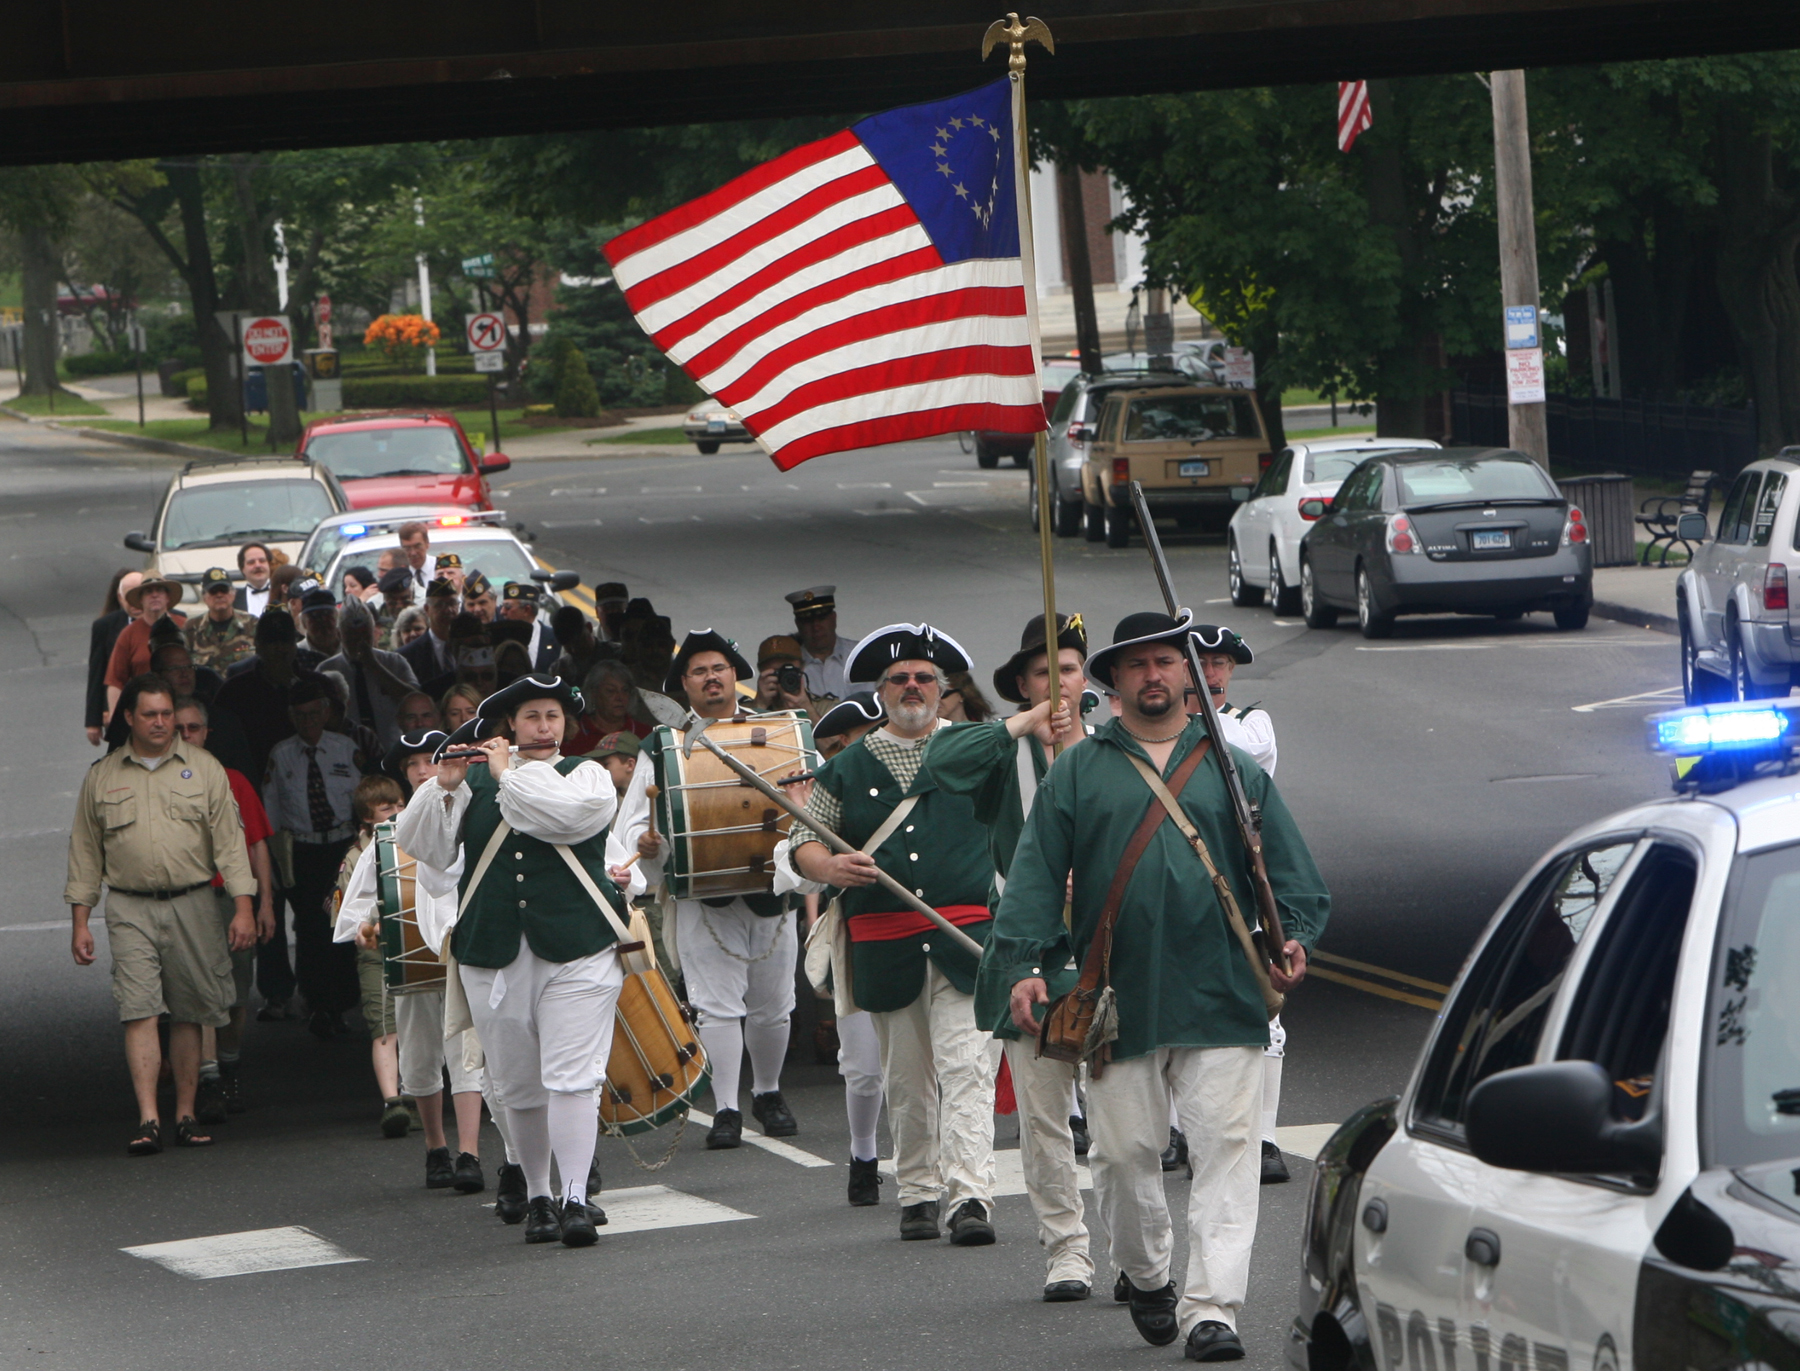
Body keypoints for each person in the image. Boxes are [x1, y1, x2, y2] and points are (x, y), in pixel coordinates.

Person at [982, 611, 1328, 1362]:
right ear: (1114, 682)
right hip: (1119, 996)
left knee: (1227, 1151)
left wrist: (1292, 933)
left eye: (1167, 660)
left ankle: (1213, 1307)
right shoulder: (1079, 769)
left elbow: (1293, 874)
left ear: (1189, 673)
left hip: (1223, 991)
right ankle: (1147, 1274)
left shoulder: (1235, 768)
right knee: (1123, 1153)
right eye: (1136, 665)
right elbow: (1037, 877)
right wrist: (1026, 964)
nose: (1153, 675)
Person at [395, 674, 630, 1248]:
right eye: (531, 717)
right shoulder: (470, 780)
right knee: (518, 1085)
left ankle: (576, 1196)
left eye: (552, 716)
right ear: (510, 727)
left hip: (579, 944)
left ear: (565, 725)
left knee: (574, 1077)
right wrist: (445, 786)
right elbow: (423, 847)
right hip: (494, 950)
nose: (543, 726)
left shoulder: (590, 775)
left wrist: (506, 776)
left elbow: (562, 820)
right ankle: (540, 1196)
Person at [788, 624, 1000, 1246]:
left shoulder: (976, 750)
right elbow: (803, 842)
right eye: (901, 678)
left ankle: (971, 1197)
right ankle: (918, 1192)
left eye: (925, 677)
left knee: (966, 1070)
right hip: (885, 942)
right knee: (906, 1078)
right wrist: (828, 867)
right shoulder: (845, 768)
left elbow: (1020, 824)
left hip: (966, 940)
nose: (914, 686)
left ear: (943, 689)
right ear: (881, 692)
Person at [929, 611, 1092, 1301]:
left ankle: (1139, 1253)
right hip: (1030, 954)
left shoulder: (1117, 747)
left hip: (1108, 951)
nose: (1059, 683)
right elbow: (940, 761)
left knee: (1123, 1128)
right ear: (1022, 685)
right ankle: (1067, 1250)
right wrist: (1023, 727)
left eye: (1070, 669)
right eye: (1043, 674)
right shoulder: (1003, 754)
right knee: (1044, 1117)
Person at [620, 629, 799, 1150]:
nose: (711, 677)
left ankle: (767, 1091)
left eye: (718, 667)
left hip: (768, 887)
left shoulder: (774, 732)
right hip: (703, 891)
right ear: (684, 686)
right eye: (698, 671)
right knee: (715, 1005)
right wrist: (648, 846)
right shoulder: (663, 746)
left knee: (774, 1005)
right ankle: (726, 1106)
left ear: (734, 676)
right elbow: (633, 823)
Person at [64, 674, 258, 1154]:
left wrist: (243, 907)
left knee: (191, 1010)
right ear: (128, 717)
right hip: (130, 906)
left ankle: (185, 1114)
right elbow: (85, 853)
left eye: (166, 714)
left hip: (194, 901)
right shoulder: (103, 776)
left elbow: (232, 845)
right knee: (139, 1009)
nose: (160, 722)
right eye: (149, 714)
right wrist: (81, 921)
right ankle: (148, 1118)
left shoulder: (205, 768)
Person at [334, 762, 488, 1193]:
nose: (429, 774)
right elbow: (364, 898)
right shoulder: (388, 837)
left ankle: (470, 1153)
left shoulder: (473, 824)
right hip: (412, 963)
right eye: (421, 767)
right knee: (419, 1060)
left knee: (467, 1058)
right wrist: (367, 926)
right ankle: (436, 1148)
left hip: (462, 958)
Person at [1185, 626, 1285, 1184]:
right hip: (1176, 878)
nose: (1212, 672)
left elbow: (1226, 749)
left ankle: (1265, 1139)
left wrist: (1190, 707)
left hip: (1241, 883)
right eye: (1198, 661)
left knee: (1261, 1009)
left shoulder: (1252, 723)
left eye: (1220, 662)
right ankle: (1178, 1133)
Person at [779, 689, 887, 1205]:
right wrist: (806, 829)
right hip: (861, 936)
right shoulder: (826, 793)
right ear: (839, 748)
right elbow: (792, 875)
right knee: (864, 1067)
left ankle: (938, 1172)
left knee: (936, 1066)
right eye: (859, 744)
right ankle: (863, 1154)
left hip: (928, 934)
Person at [172, 696, 276, 1121]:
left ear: (207, 732)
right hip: (189, 901)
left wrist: (264, 902)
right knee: (201, 995)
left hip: (232, 900)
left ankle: (229, 1067)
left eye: (193, 728)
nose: (185, 736)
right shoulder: (159, 784)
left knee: (235, 997)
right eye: (178, 728)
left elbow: (257, 845)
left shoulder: (233, 780)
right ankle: (209, 1080)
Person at [263, 675, 364, 1041]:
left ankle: (342, 1003)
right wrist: (274, 863)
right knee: (309, 928)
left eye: (314, 713)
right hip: (303, 852)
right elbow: (271, 813)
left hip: (339, 848)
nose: (308, 721)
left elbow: (362, 801)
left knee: (341, 922)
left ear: (325, 712)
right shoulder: (282, 755)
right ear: (292, 717)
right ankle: (317, 1003)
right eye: (300, 715)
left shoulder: (345, 749)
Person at [322, 597, 422, 751]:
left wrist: (375, 666)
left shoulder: (394, 662)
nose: (359, 643)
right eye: (352, 638)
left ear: (374, 631)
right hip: (344, 754)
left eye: (365, 636)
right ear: (339, 635)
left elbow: (416, 702)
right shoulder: (326, 670)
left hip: (392, 750)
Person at [104, 576, 183, 723]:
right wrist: (116, 721)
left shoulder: (185, 627)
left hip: (181, 711)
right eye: (148, 591)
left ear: (168, 597)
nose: (154, 595)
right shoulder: (128, 635)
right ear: (140, 600)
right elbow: (115, 682)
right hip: (146, 716)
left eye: (159, 590)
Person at [88, 570, 140, 746]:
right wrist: (93, 720)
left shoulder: (168, 622)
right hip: (120, 711)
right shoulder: (105, 626)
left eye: (138, 595)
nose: (135, 602)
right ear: (120, 598)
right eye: (129, 596)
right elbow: (97, 673)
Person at [186, 568, 260, 674]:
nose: (219, 595)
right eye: (213, 591)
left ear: (233, 594)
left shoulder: (253, 624)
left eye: (224, 590)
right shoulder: (191, 629)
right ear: (204, 597)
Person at [786, 585, 854, 701]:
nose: (816, 627)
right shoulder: (789, 667)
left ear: (833, 618)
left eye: (822, 618)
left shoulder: (858, 656)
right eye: (808, 621)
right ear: (798, 624)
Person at [399, 577, 460, 685]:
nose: (449, 610)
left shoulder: (470, 643)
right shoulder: (408, 655)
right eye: (440, 605)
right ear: (427, 609)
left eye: (453, 603)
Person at [499, 582, 558, 670]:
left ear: (527, 610)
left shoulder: (553, 638)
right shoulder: (498, 636)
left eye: (508, 607)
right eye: (502, 606)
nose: (502, 612)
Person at [753, 635, 813, 714]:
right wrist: (760, 705)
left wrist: (808, 709)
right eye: (776, 672)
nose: (783, 677)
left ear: (802, 668)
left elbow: (828, 726)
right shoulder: (743, 710)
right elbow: (744, 726)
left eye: (788, 670)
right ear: (761, 671)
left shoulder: (824, 706)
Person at [295, 583, 342, 672]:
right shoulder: (297, 654)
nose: (322, 621)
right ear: (304, 623)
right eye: (314, 617)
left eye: (327, 614)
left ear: (337, 618)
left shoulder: (350, 647)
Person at [397, 521, 437, 595]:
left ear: (427, 544)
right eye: (407, 548)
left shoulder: (440, 569)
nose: (413, 553)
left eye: (417, 546)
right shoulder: (398, 576)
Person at [234, 543, 274, 617]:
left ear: (269, 565)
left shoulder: (282, 594)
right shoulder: (234, 599)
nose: (258, 565)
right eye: (251, 562)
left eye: (262, 561)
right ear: (242, 568)